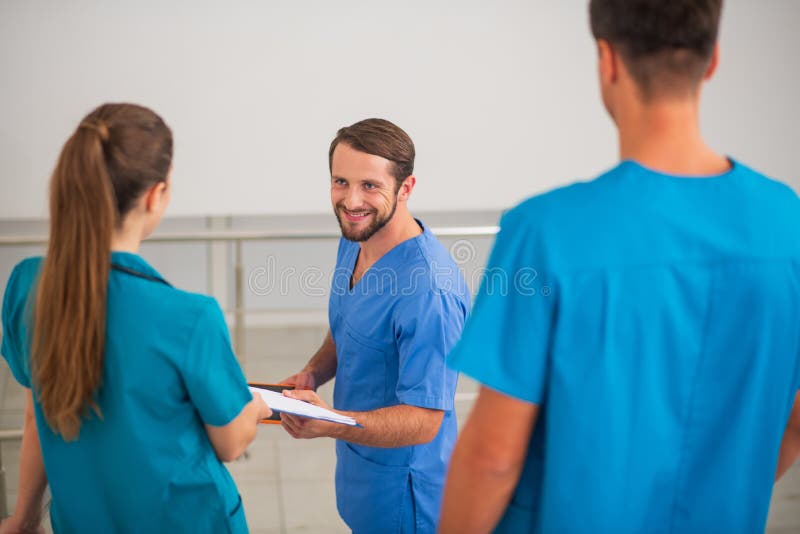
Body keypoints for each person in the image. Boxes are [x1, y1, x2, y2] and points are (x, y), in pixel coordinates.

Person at [440, 1, 800, 532]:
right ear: (713, 59)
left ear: (607, 60)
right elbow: (792, 427)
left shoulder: (546, 232)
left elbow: (492, 458)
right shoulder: (788, 225)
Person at [0, 103, 271, 533]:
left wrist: (23, 517)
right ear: (154, 196)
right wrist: (254, 405)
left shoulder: (26, 286)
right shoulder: (190, 317)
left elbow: (37, 410)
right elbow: (231, 442)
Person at [280, 118, 469, 533]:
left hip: (407, 494)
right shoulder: (356, 239)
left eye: (370, 185)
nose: (351, 200)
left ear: (406, 189)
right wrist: (313, 372)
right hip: (363, 470)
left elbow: (425, 419)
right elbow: (349, 323)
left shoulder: (429, 293)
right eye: (340, 181)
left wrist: (330, 422)